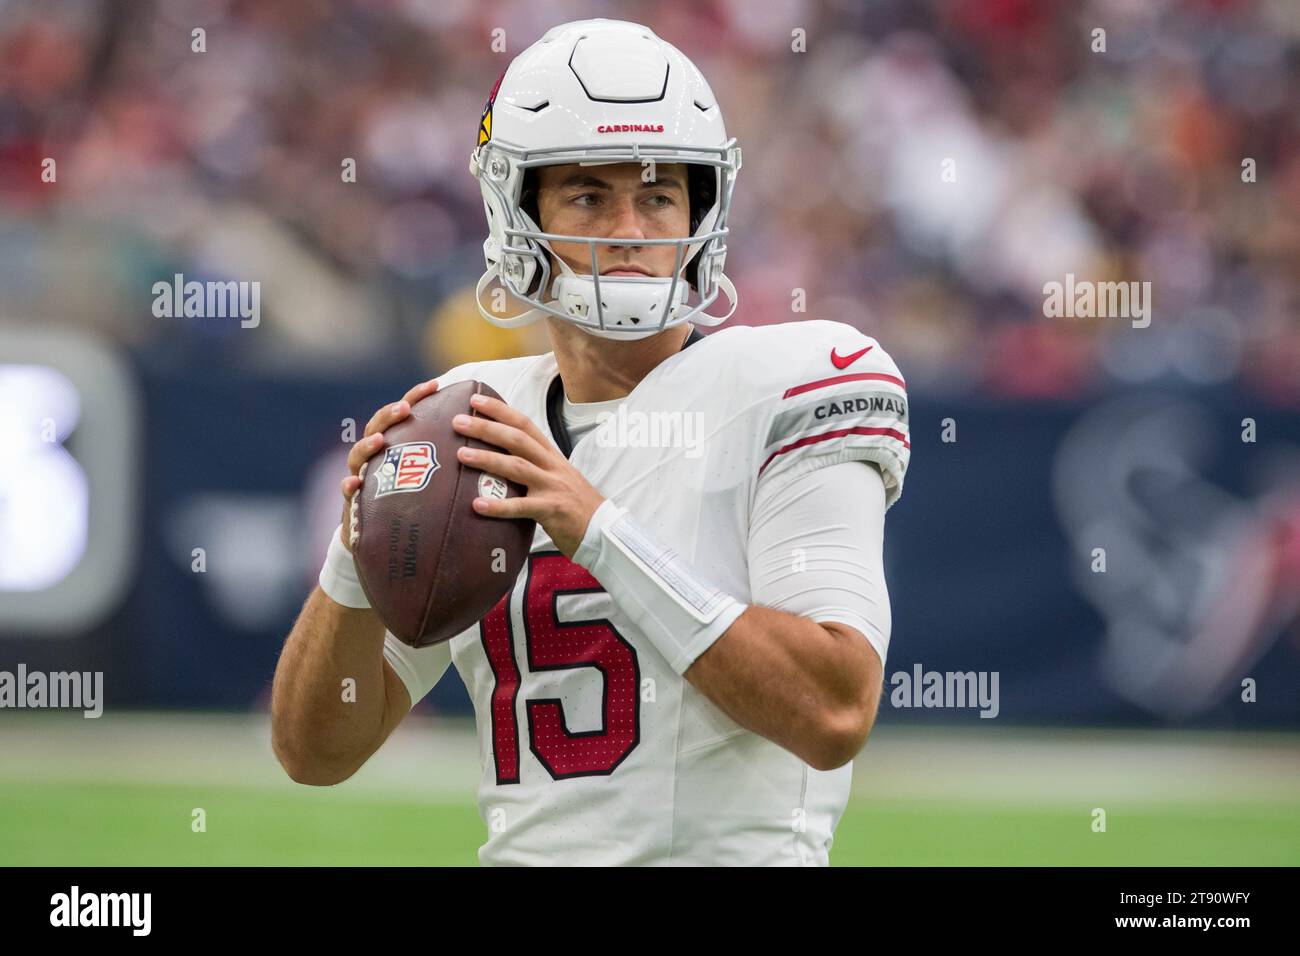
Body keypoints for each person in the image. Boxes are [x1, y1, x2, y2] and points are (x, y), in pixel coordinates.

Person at [272, 18, 911, 866]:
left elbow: (834, 713)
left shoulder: (792, 384)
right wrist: (357, 552)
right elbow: (316, 752)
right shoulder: (474, 419)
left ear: (702, 210)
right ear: (517, 211)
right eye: (587, 195)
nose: (630, 229)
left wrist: (597, 529)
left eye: (657, 195)